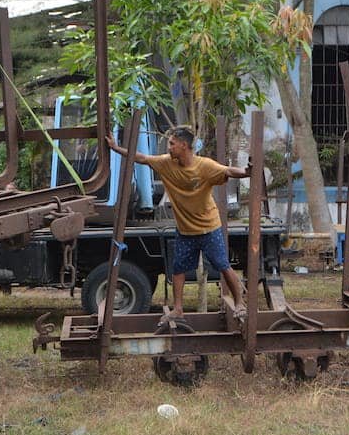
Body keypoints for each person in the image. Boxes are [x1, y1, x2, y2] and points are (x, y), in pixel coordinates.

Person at [106, 126, 251, 320]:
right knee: (179, 269)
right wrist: (116, 148)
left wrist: (246, 171)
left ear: (184, 146)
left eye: (172, 144)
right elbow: (141, 158)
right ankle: (178, 309)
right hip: (185, 230)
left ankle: (240, 303)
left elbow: (229, 171)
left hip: (209, 227)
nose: (169, 147)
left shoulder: (204, 166)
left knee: (222, 264)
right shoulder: (166, 163)